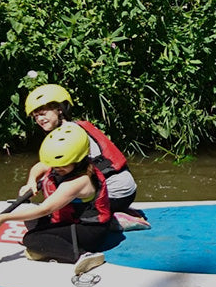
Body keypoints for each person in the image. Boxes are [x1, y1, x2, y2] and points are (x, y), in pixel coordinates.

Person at [0, 125, 117, 274]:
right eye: (54, 165)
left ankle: (83, 255)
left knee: (31, 239)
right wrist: (31, 181)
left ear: (78, 159)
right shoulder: (66, 163)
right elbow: (40, 166)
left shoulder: (78, 181)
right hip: (72, 220)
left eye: (62, 166)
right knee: (31, 221)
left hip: (91, 231)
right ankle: (50, 248)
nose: (57, 168)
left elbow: (45, 209)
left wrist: (4, 218)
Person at [22, 84, 144, 226]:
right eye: (36, 116)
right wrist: (31, 181)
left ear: (59, 109)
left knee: (52, 196)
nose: (40, 119)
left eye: (43, 113)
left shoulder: (70, 135)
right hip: (124, 191)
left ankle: (112, 220)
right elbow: (44, 164)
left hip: (116, 194)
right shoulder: (70, 128)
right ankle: (113, 211)